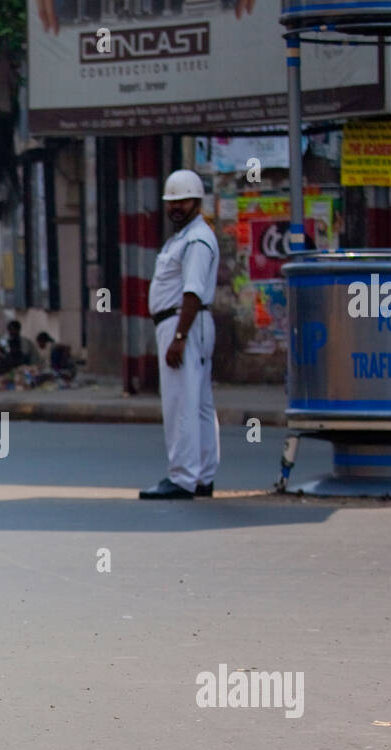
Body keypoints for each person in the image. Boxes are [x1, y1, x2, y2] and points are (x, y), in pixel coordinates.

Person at [140, 168, 221, 501]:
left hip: (183, 324)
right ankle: (202, 475)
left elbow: (192, 292)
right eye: (172, 202)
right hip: (182, 324)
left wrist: (179, 337)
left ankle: (183, 477)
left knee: (180, 403)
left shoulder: (197, 240)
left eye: (183, 201)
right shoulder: (183, 237)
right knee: (198, 403)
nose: (176, 207)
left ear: (197, 202)